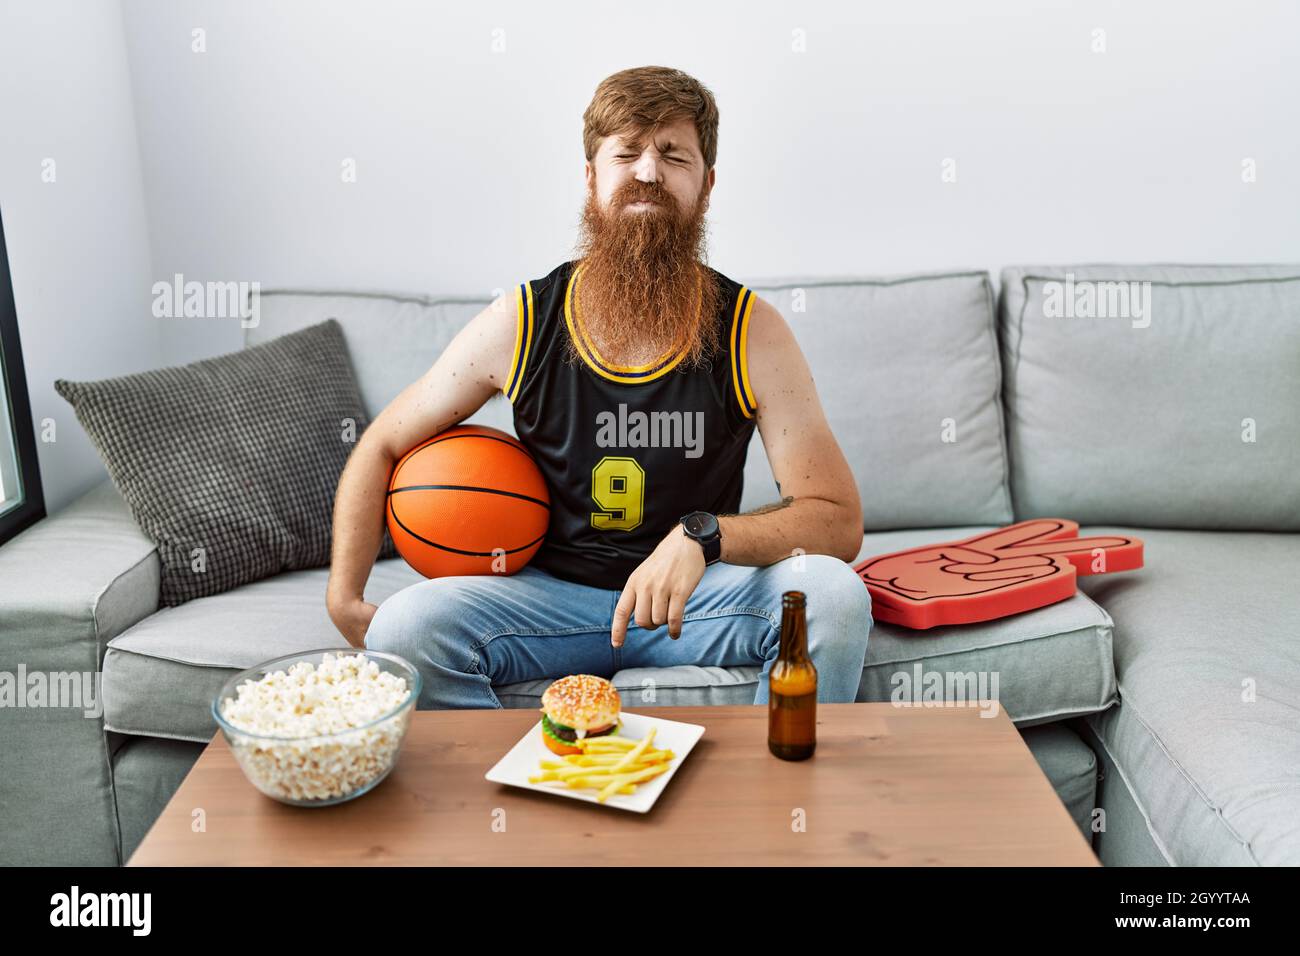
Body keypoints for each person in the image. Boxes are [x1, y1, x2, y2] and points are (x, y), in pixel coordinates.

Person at [327, 65, 872, 709]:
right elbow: (385, 442)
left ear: (707, 185)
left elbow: (837, 519)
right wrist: (344, 594)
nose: (648, 171)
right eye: (626, 152)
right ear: (592, 176)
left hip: (694, 602)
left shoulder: (751, 330)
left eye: (673, 154)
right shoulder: (524, 321)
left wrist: (705, 535)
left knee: (834, 598)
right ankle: (513, 795)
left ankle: (770, 799)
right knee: (405, 627)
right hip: (550, 601)